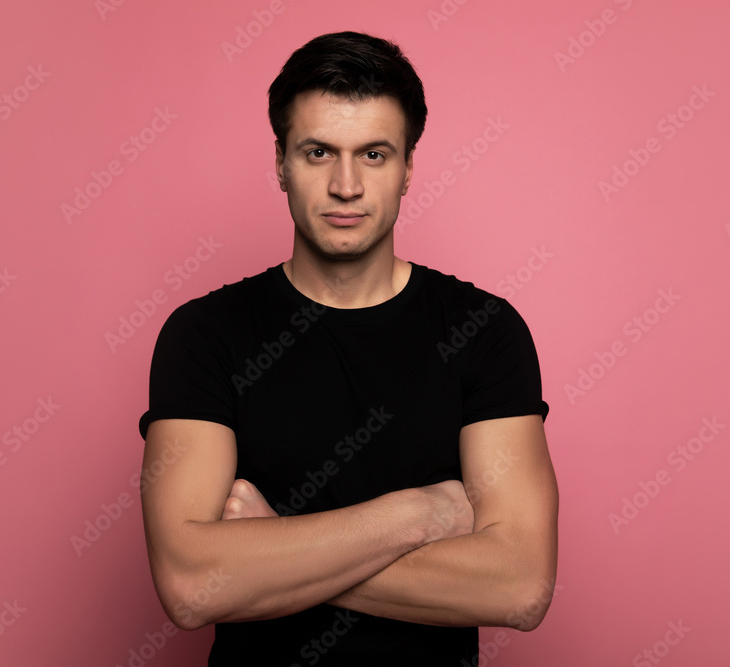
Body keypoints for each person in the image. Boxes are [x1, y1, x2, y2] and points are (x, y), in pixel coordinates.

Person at [138, 30, 558, 666]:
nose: (345, 185)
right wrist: (417, 514)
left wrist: (274, 549)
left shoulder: (485, 331)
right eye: (317, 152)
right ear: (280, 162)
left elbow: (520, 585)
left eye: (374, 155)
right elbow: (193, 586)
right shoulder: (204, 336)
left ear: (408, 167)